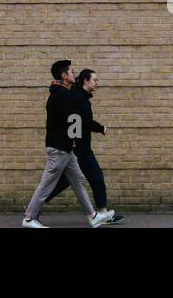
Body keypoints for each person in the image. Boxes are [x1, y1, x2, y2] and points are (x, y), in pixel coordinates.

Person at [22, 59, 114, 228]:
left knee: (78, 180)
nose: (74, 74)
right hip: (59, 148)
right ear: (64, 76)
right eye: (72, 72)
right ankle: (29, 218)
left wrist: (73, 141)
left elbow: (70, 120)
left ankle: (93, 216)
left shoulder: (64, 93)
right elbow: (74, 119)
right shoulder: (62, 95)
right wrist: (76, 138)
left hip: (66, 147)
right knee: (47, 184)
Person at [47, 68, 121, 224]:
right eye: (95, 80)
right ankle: (33, 208)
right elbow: (81, 121)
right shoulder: (78, 98)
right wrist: (100, 128)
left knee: (96, 178)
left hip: (83, 148)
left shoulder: (81, 97)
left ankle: (104, 213)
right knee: (62, 182)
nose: (97, 83)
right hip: (78, 149)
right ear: (86, 81)